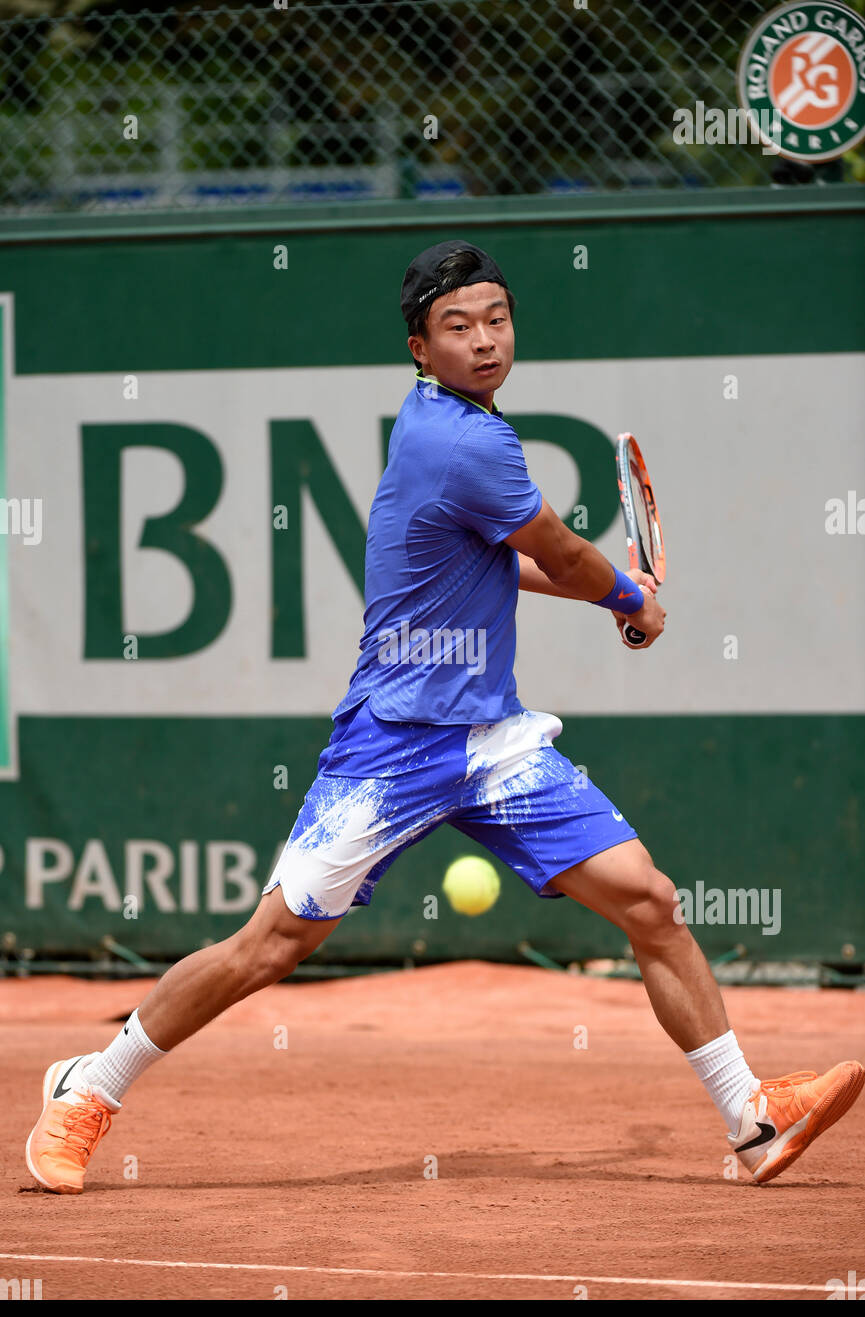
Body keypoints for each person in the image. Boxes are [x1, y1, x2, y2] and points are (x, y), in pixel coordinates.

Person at [26, 240, 862, 1195]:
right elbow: (557, 547)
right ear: (419, 349)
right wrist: (628, 598)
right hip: (390, 745)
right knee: (270, 947)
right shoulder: (463, 442)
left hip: (490, 740)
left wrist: (616, 593)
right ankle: (87, 1087)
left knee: (650, 901)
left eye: (497, 318)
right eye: (456, 327)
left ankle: (750, 1121)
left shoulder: (450, 424)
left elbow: (506, 562)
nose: (483, 340)